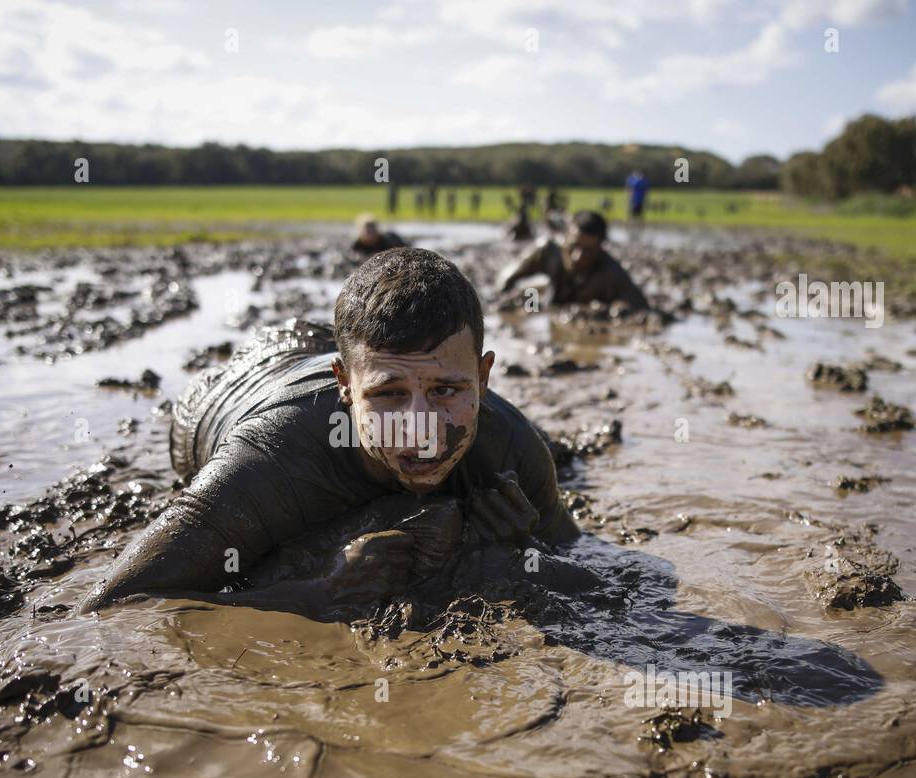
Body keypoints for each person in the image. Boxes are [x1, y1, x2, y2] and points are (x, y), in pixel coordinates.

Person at [79, 248, 579, 612]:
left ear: (484, 376)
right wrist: (314, 594)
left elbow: (574, 551)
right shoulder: (269, 456)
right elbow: (118, 601)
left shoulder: (513, 446)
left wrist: (525, 543)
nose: (423, 429)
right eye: (390, 395)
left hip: (322, 348)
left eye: (448, 390)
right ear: (344, 386)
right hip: (228, 387)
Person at [498, 209, 648, 309]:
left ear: (601, 248)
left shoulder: (612, 273)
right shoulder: (548, 250)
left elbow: (643, 309)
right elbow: (505, 279)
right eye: (573, 246)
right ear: (566, 238)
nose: (578, 256)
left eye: (588, 251)